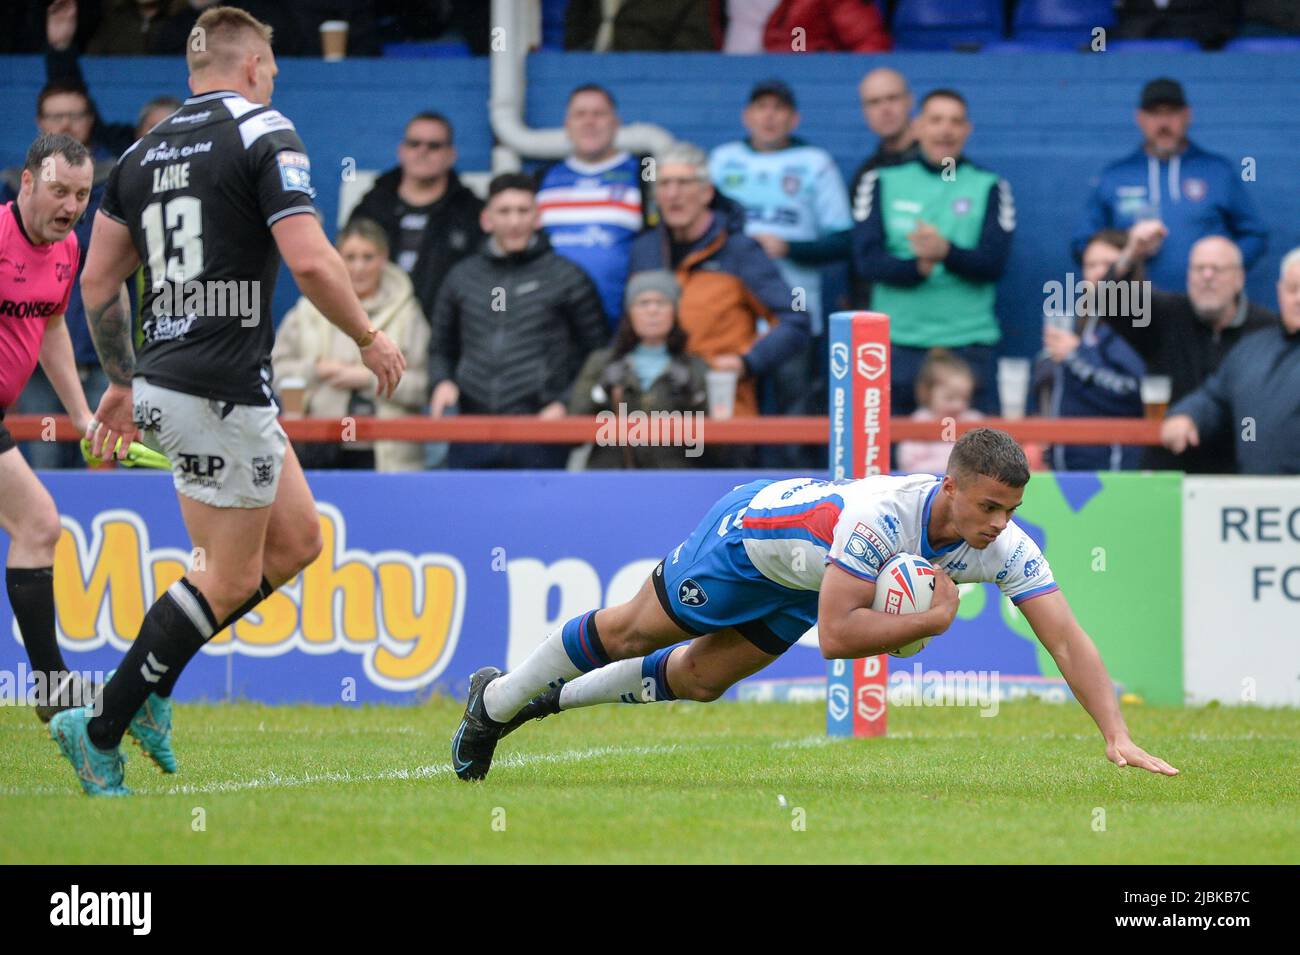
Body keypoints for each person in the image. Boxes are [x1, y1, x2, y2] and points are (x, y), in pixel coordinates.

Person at [50, 5, 405, 797]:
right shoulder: (263, 131)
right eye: (272, 67)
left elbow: (98, 283)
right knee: (225, 576)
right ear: (251, 67)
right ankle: (102, 723)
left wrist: (119, 379)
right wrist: (368, 336)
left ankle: (148, 688)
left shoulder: (139, 154)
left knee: (301, 540)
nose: (274, 78)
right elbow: (311, 261)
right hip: (216, 389)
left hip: (186, 382)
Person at [451, 428, 1179, 782]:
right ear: (949, 487)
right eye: (988, 504)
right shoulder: (880, 516)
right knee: (627, 630)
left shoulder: (1004, 543)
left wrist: (1114, 732)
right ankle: (497, 701)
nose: (999, 521)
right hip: (749, 540)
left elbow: (1067, 640)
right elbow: (835, 637)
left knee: (703, 681)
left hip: (812, 576)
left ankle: (544, 705)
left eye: (1011, 507)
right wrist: (930, 619)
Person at [0, 134, 97, 721]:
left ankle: (52, 689)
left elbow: (53, 325)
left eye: (82, 195)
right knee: (38, 522)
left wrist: (81, 415)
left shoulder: (67, 250)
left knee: (39, 525)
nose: (71, 206)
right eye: (60, 190)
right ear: (28, 183)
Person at [428, 173, 608, 470]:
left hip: (542, 430)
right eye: (504, 211)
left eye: (523, 211)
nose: (514, 222)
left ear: (537, 217)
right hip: (471, 429)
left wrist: (565, 404)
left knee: (541, 516)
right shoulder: (461, 276)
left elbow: (598, 355)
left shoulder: (567, 277)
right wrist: (442, 381)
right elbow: (440, 347)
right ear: (487, 219)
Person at [853, 89, 1014, 416]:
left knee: (978, 463)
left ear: (967, 130)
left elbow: (994, 264)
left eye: (955, 121)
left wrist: (946, 253)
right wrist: (918, 267)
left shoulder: (990, 185)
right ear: (917, 127)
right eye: (936, 120)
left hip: (968, 346)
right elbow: (865, 262)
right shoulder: (880, 180)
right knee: (889, 461)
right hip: (897, 346)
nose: (945, 130)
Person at [628, 142, 809, 419]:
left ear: (706, 192)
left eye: (684, 183)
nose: (673, 194)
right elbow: (626, 329)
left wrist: (747, 362)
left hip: (721, 412)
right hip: (653, 415)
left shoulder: (740, 250)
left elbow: (796, 314)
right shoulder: (645, 250)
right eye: (664, 184)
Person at [708, 80, 852, 423]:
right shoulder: (723, 160)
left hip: (795, 312)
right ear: (747, 116)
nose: (769, 117)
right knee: (734, 415)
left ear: (794, 119)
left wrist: (791, 247)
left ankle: (797, 478)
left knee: (796, 415)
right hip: (733, 312)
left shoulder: (815, 162)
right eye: (761, 107)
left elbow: (843, 240)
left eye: (779, 109)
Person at [1099, 222, 1276, 472]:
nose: (1206, 277)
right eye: (1199, 269)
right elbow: (1107, 303)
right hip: (1170, 467)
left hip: (1239, 473)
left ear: (1239, 279)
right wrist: (1131, 253)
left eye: (1217, 269)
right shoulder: (1166, 314)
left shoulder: (1266, 329)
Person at [1071, 78, 1268, 293]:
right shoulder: (1116, 175)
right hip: (1134, 307)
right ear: (1140, 118)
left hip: (1204, 306)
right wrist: (1129, 252)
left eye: (1172, 112)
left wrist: (1220, 269)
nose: (1163, 123)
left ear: (1187, 115)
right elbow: (1083, 245)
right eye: (1155, 113)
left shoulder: (1217, 171)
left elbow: (1255, 235)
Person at [272, 219, 429, 472]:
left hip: (386, 453)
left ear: (384, 258)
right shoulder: (306, 312)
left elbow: (422, 387)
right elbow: (274, 372)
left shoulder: (408, 315)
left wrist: (368, 379)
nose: (359, 267)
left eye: (368, 257)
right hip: (317, 445)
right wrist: (317, 369)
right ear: (336, 259)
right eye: (350, 257)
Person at [1160, 248, 1300, 475]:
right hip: (1253, 497)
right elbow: (1215, 397)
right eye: (1293, 289)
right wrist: (1187, 414)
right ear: (1280, 292)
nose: (1299, 299)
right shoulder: (1252, 349)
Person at [347, 111, 484, 322]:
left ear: (451, 154)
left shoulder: (469, 212)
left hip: (445, 336)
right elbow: (343, 268)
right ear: (401, 150)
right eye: (414, 143)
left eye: (434, 145)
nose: (423, 151)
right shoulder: (372, 206)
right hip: (373, 329)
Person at [536, 85, 653, 329]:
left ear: (616, 122)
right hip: (552, 327)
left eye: (599, 114)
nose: (589, 122)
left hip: (622, 327)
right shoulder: (542, 178)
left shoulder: (645, 171)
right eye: (580, 114)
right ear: (567, 125)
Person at [569, 271, 709, 469]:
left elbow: (717, 449)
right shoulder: (601, 363)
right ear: (630, 312)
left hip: (675, 479)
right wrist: (600, 391)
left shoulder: (695, 367)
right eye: (643, 303)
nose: (652, 310)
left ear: (674, 312)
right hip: (612, 479)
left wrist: (695, 398)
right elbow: (572, 434)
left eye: (661, 302)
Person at [1037, 230, 1146, 472]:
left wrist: (1075, 356)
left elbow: (1131, 393)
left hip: (1113, 472)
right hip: (1066, 469)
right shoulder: (1085, 321)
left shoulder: (1139, 320)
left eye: (1108, 264)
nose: (1098, 272)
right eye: (1090, 265)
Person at [847, 67, 920, 308]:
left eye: (892, 98)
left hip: (939, 313)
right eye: (874, 102)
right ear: (865, 111)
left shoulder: (941, 164)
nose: (885, 109)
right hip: (878, 311)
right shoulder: (866, 174)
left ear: (910, 101)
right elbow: (858, 249)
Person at [896, 350, 982, 475]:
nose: (958, 405)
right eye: (950, 398)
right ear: (927, 393)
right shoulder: (919, 422)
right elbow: (909, 464)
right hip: (929, 485)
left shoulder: (974, 420)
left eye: (965, 398)